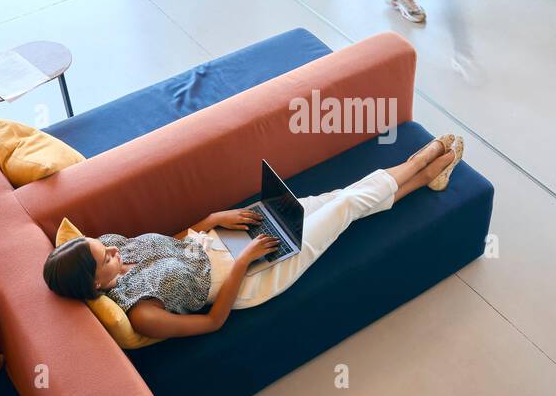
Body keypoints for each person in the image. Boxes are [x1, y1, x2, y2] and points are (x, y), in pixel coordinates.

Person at [43, 135, 467, 340]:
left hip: (227, 239)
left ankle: (424, 175)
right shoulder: (139, 313)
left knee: (333, 198)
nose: (114, 246)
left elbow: (173, 241)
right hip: (250, 276)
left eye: (105, 243)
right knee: (344, 209)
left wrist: (212, 218)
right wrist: (245, 261)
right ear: (96, 285)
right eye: (106, 256)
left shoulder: (117, 250)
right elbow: (211, 322)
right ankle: (421, 165)